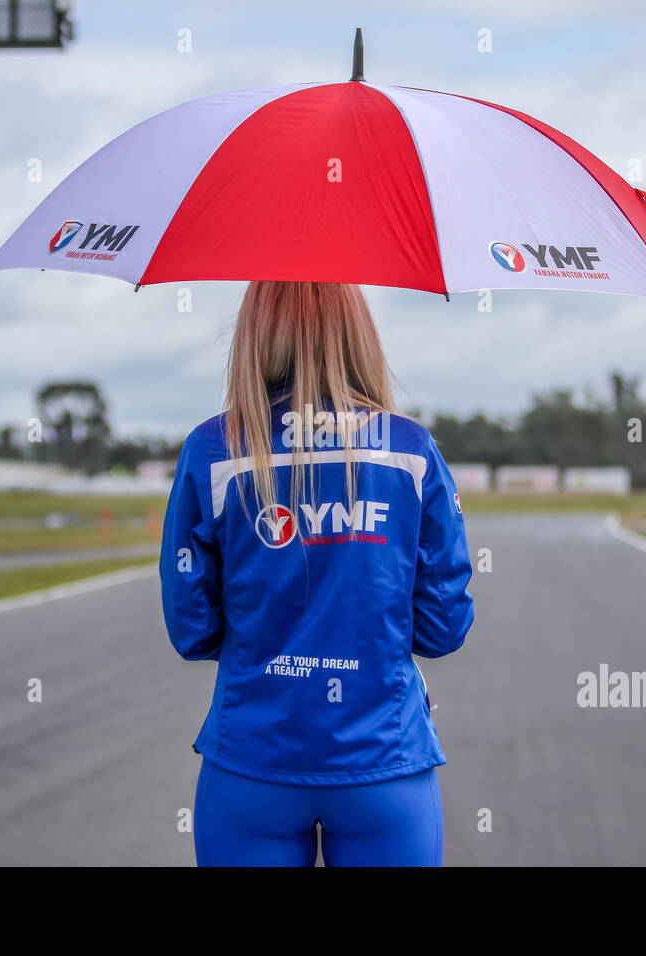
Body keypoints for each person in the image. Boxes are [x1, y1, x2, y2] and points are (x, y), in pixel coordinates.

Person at [159, 280, 475, 867]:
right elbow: (443, 628)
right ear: (357, 333)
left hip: (252, 763)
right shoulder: (409, 449)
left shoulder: (211, 449)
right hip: (382, 763)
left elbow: (191, 628)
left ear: (254, 332)